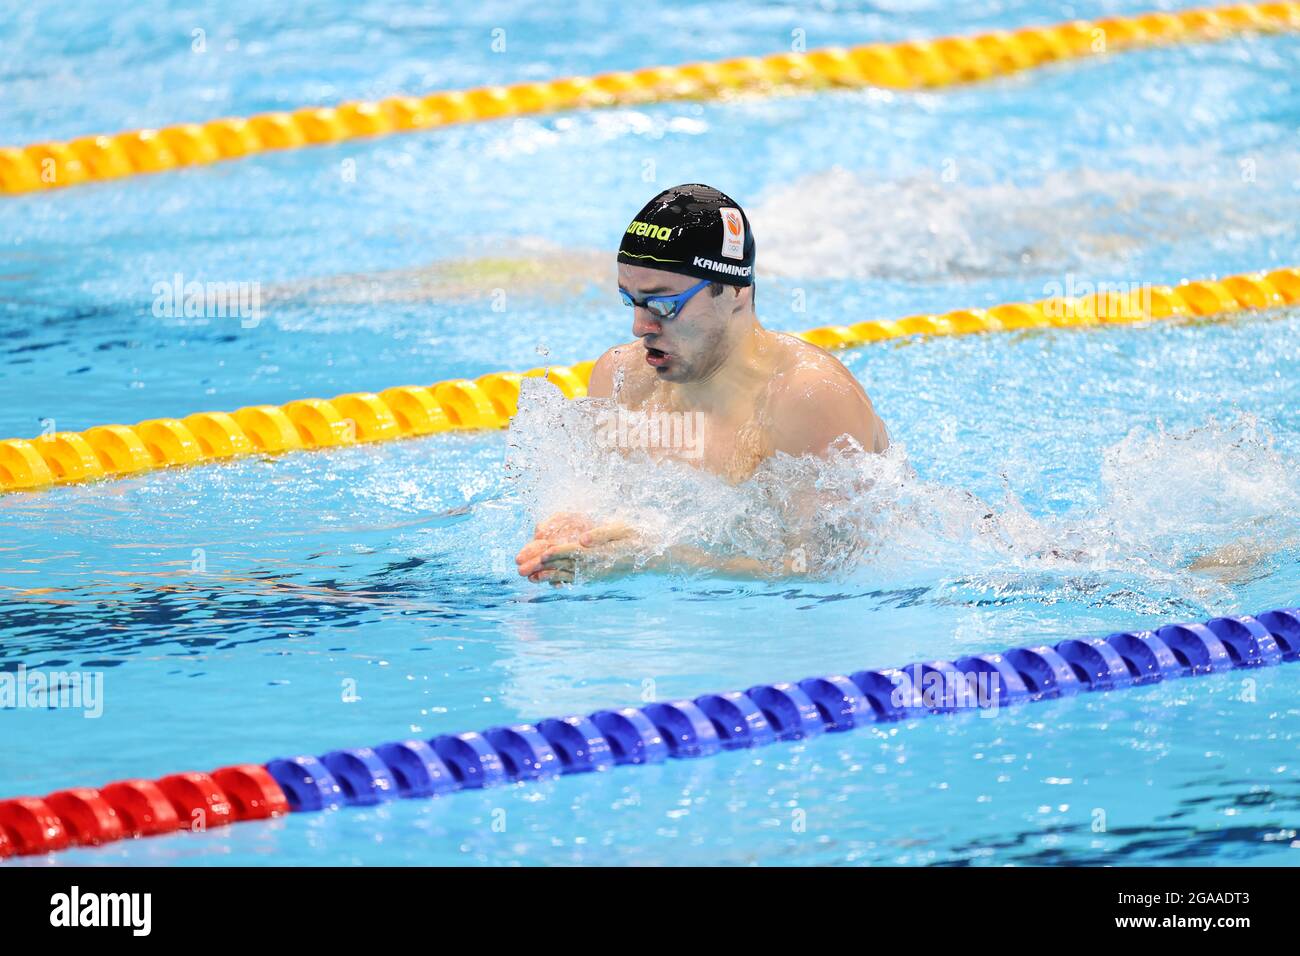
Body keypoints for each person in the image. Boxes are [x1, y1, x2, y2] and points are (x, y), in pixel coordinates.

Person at [516, 183, 888, 584]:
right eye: (631, 301)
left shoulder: (805, 399)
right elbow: (610, 501)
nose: (640, 327)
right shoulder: (623, 378)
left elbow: (822, 571)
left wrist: (660, 558)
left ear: (734, 291)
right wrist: (576, 526)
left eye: (663, 305)